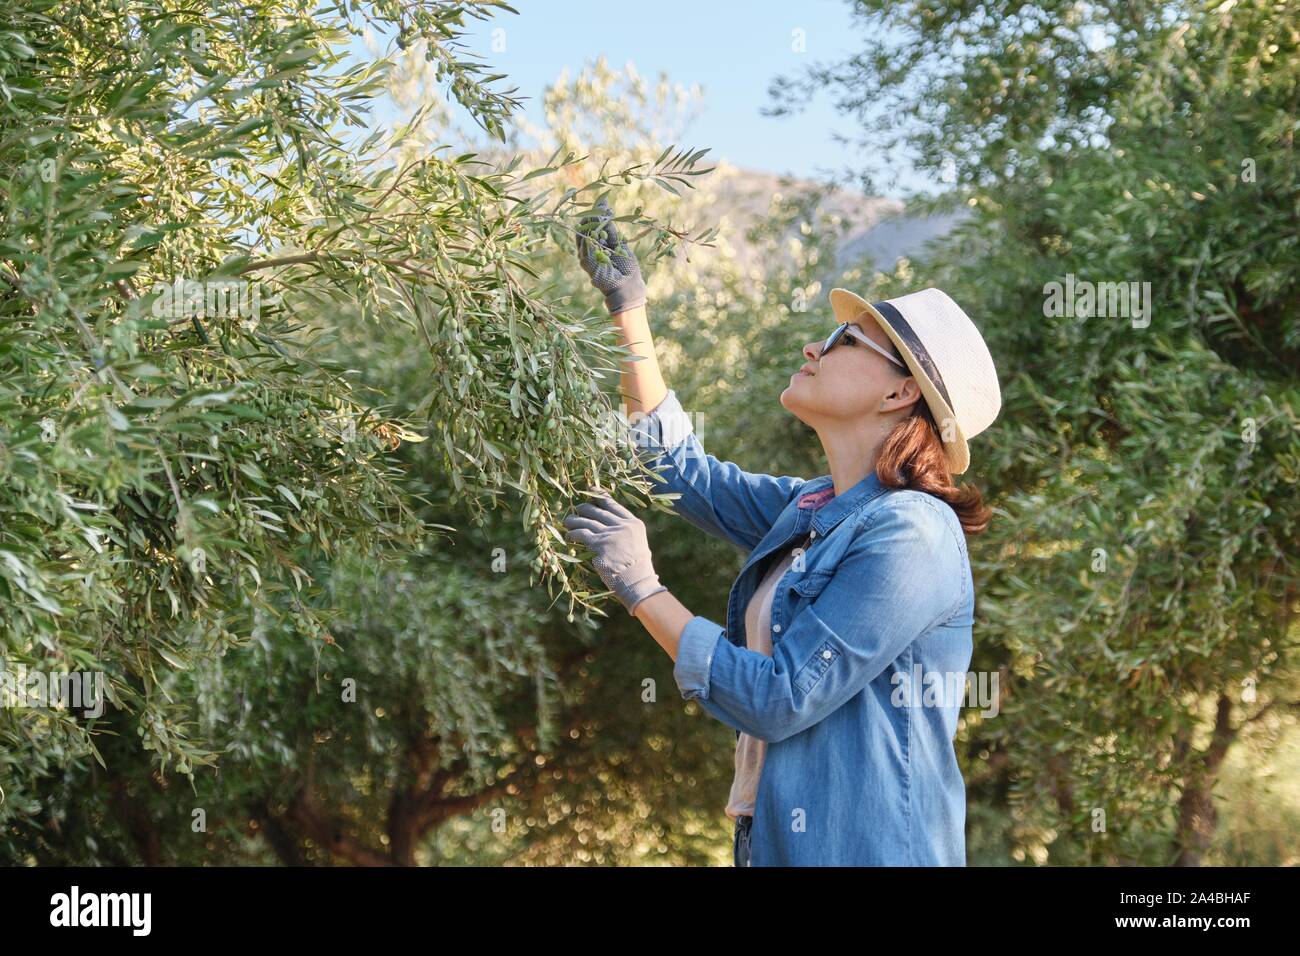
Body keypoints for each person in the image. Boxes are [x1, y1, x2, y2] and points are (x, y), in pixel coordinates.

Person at [562, 198, 1002, 866]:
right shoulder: (811, 509)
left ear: (897, 394)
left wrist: (641, 587)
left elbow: (781, 697)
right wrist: (627, 308)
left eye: (844, 342)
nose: (812, 346)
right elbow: (676, 468)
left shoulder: (913, 534)